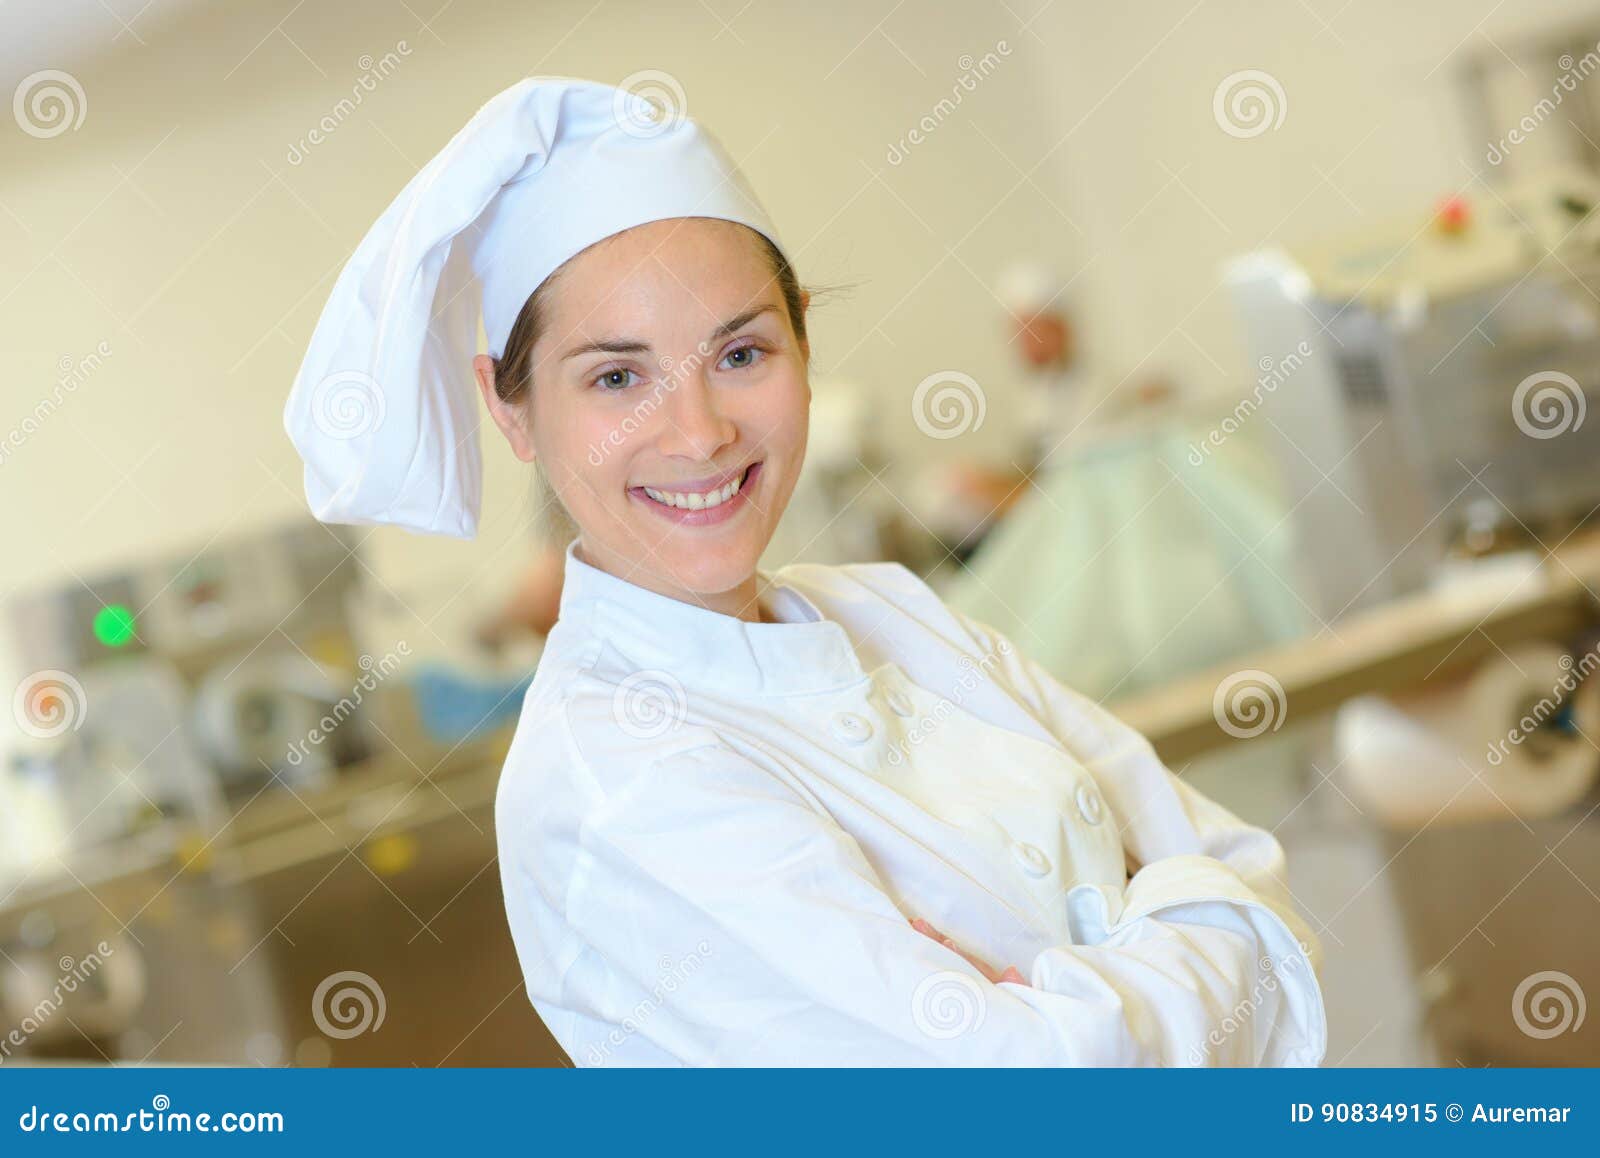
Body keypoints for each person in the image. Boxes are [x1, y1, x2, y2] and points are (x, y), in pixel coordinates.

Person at [284, 76, 1327, 1066]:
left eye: (740, 355)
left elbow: (1255, 885)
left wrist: (1076, 995)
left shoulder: (890, 611)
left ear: (802, 348)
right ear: (508, 407)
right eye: (616, 376)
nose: (698, 433)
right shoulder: (610, 780)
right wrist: (1152, 918)